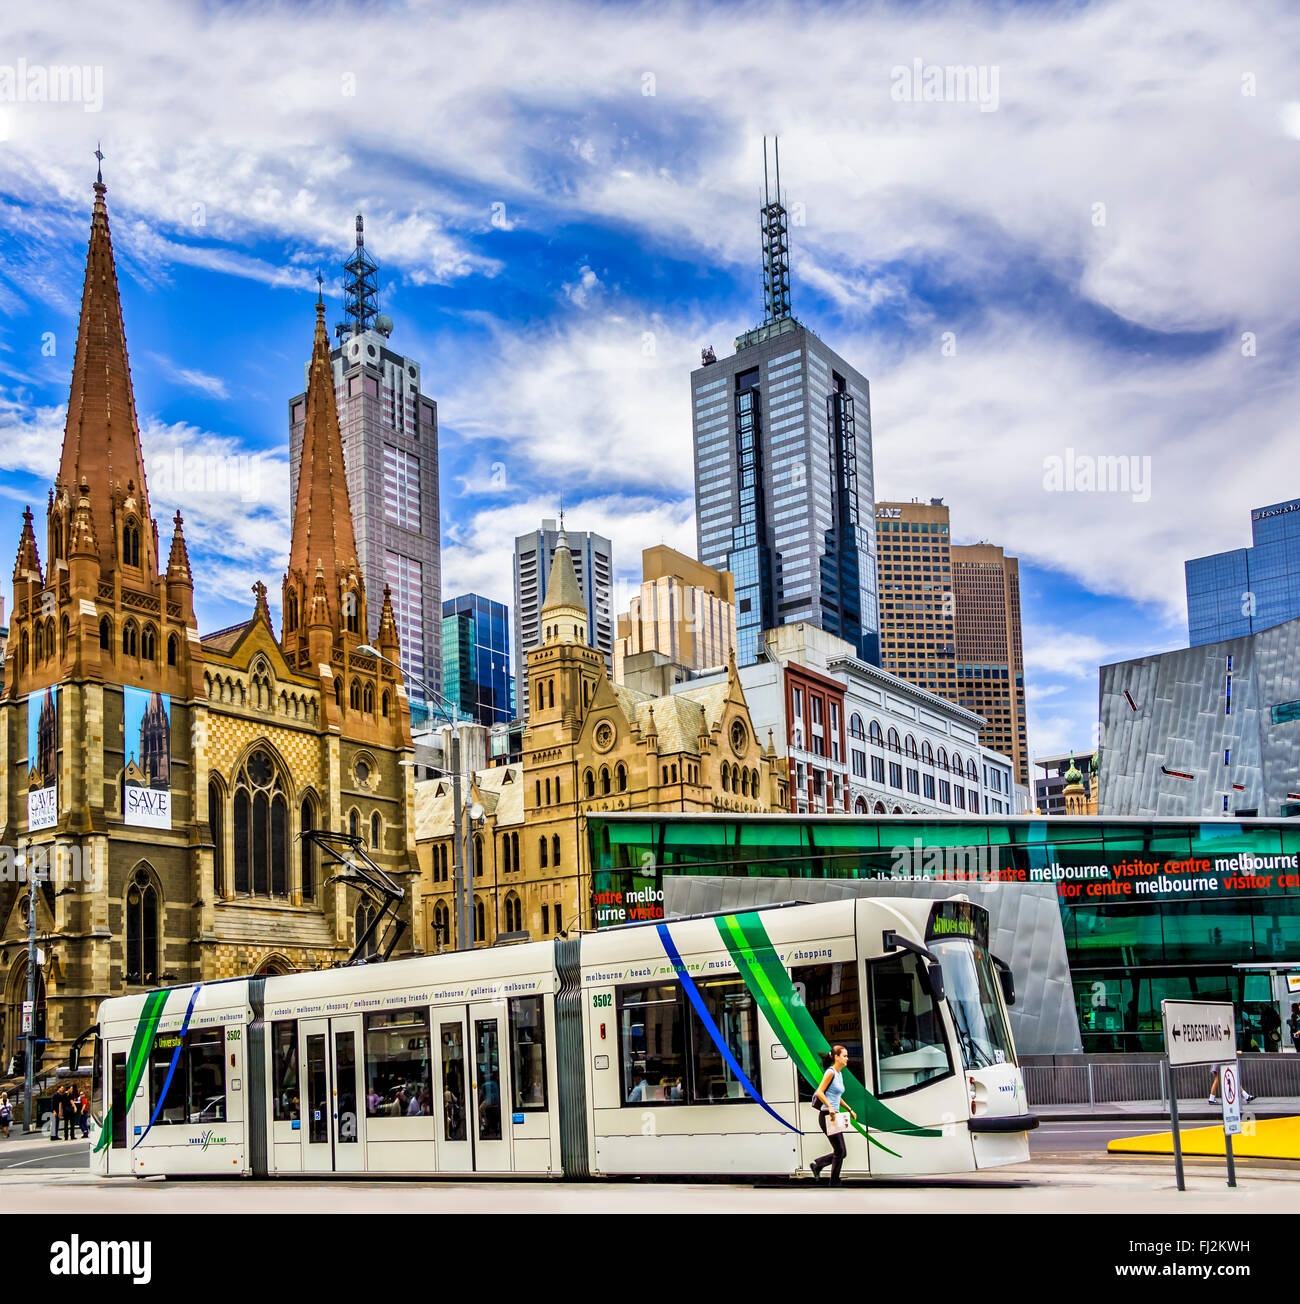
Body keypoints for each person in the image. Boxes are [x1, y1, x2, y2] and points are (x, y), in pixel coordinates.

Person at [810, 1045, 857, 1186]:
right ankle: (833, 1180)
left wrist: (849, 1109)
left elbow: (837, 1096)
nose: (847, 1058)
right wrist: (830, 1107)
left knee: (841, 1151)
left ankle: (818, 1165)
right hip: (826, 1116)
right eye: (844, 1056)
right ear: (836, 1057)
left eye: (847, 1056)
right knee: (840, 1151)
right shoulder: (830, 1073)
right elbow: (819, 1092)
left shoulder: (839, 1074)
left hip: (834, 1116)